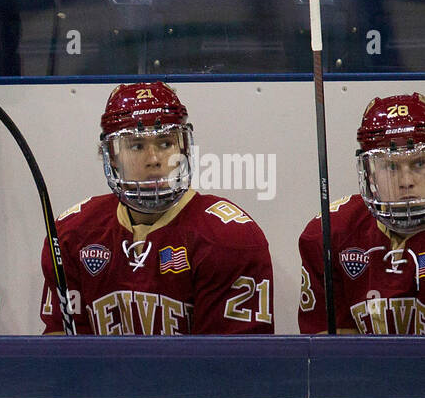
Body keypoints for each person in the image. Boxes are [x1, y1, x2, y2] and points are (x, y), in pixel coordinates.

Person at [42, 81, 274, 335]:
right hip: (103, 377)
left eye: (165, 143)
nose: (154, 160)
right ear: (112, 156)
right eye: (136, 146)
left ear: (183, 147)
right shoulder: (73, 234)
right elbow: (62, 351)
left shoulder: (228, 238)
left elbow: (229, 365)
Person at [298, 94, 425, 334]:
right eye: (391, 166)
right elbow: (330, 353)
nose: (406, 181)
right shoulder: (332, 233)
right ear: (370, 172)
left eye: (419, 163)